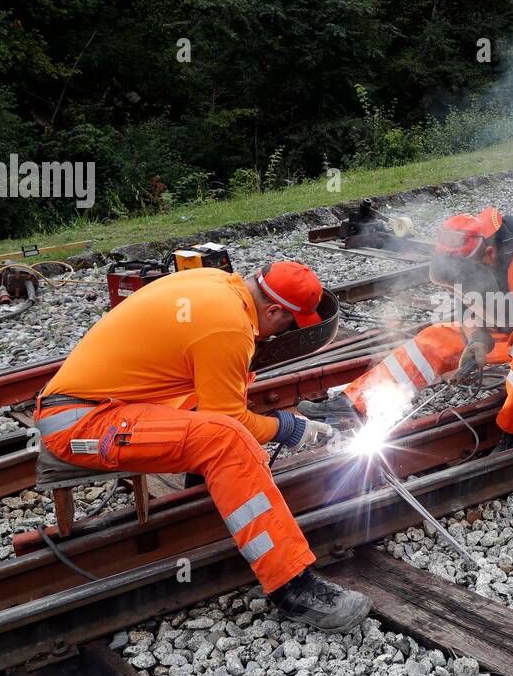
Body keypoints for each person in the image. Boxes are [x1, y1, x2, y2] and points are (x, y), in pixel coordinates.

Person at [34, 261, 371, 632]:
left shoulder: (216, 285)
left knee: (215, 420)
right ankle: (292, 585)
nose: (283, 335)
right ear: (273, 310)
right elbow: (230, 422)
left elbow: (218, 397)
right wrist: (290, 428)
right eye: (288, 324)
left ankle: (207, 497)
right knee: (225, 441)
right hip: (81, 427)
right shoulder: (228, 326)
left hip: (110, 405)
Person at [300, 207, 513, 451]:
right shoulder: (478, 262)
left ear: (487, 253)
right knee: (436, 337)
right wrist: (477, 338)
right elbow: (474, 306)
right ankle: (353, 405)